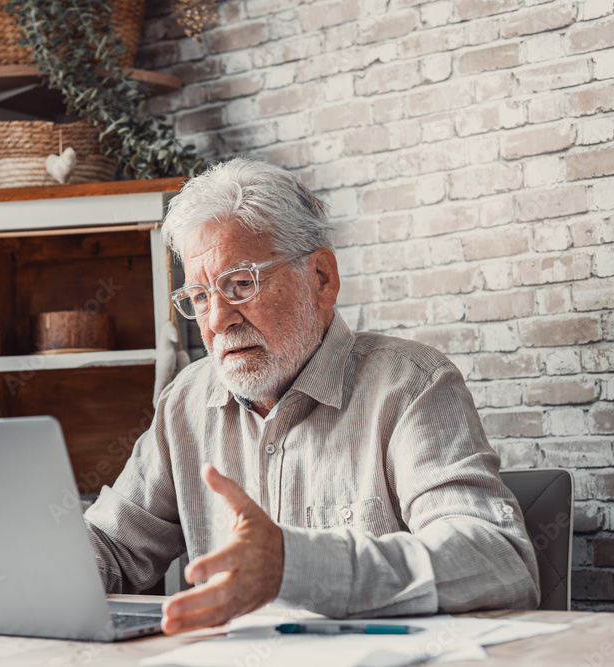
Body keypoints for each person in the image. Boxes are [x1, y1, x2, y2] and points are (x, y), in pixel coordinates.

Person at [83, 157, 540, 635]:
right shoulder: (186, 403)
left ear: (321, 278)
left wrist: (296, 565)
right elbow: (110, 545)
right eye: (199, 296)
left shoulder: (411, 385)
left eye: (241, 284)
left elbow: (498, 559)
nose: (217, 320)